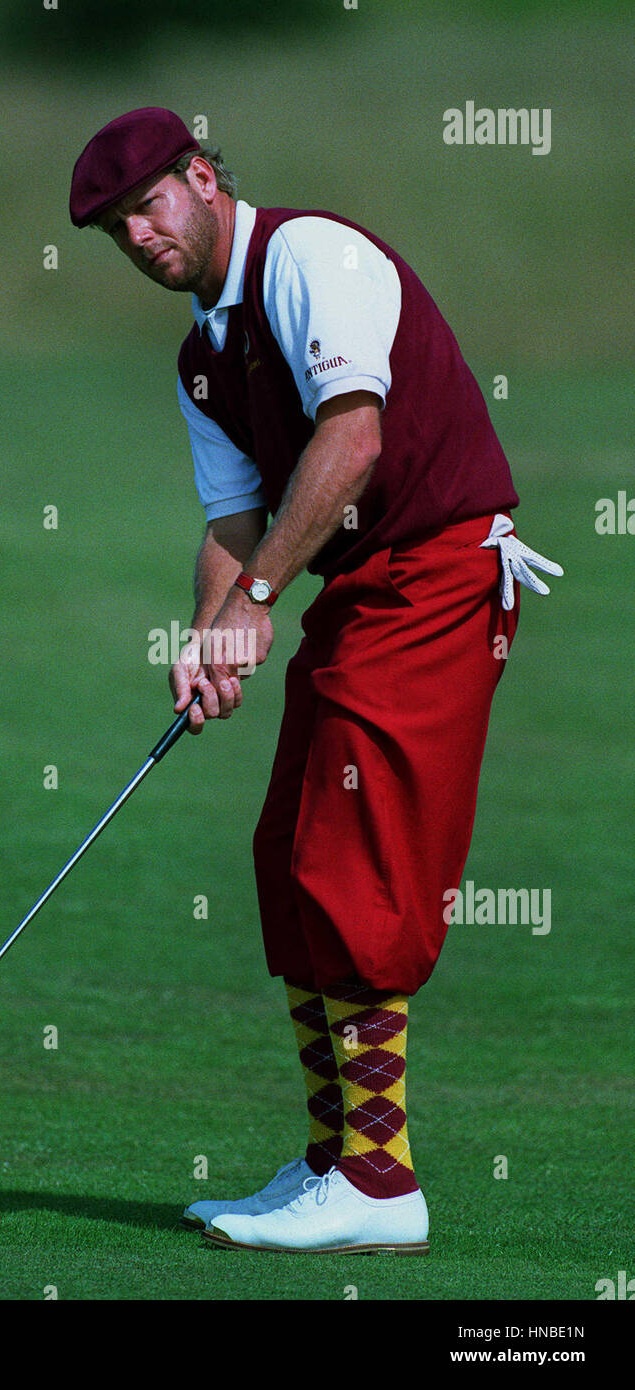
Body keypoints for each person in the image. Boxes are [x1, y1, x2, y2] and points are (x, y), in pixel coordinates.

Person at [69, 107, 562, 1253]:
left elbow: (352, 442)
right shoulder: (203, 352)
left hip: (436, 570)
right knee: (288, 852)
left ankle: (382, 1188)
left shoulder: (309, 258)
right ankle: (333, 1161)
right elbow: (234, 518)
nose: (137, 236)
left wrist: (253, 605)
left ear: (201, 176)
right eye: (112, 228)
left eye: (147, 204)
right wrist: (205, 634)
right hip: (364, 590)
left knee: (357, 860)